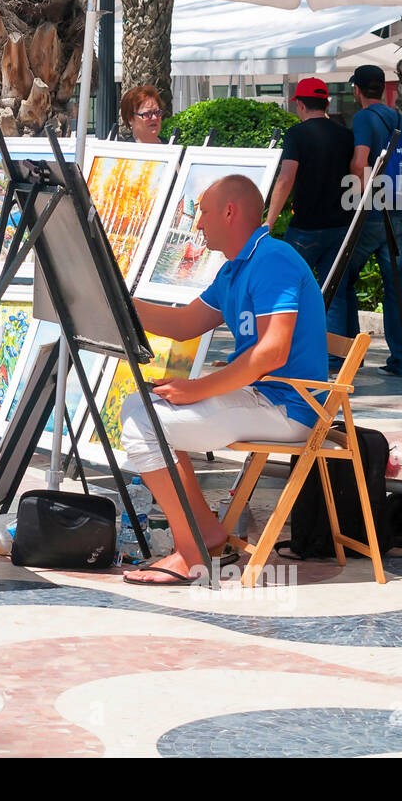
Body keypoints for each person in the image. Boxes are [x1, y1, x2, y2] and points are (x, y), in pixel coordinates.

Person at [119, 175, 327, 585]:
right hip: (262, 398)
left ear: (229, 212)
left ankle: (191, 553)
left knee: (143, 423)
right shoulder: (236, 269)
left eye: (204, 211)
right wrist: (118, 300)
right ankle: (207, 533)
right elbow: (183, 324)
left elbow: (273, 351)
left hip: (291, 406)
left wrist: (195, 389)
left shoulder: (274, 258)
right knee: (139, 410)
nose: (198, 223)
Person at [266, 77, 354, 338]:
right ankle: (334, 358)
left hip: (305, 227)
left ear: (301, 105)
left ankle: (288, 347)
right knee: (334, 293)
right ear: (325, 103)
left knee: (288, 288)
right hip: (340, 225)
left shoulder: (296, 134)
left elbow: (285, 178)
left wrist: (269, 222)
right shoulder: (346, 135)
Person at [345, 64, 402, 378]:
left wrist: (353, 201)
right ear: (383, 88)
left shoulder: (363, 118)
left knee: (342, 281)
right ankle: (401, 359)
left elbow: (360, 162)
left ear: (357, 90)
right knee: (396, 288)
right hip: (399, 208)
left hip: (373, 209)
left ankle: (346, 355)